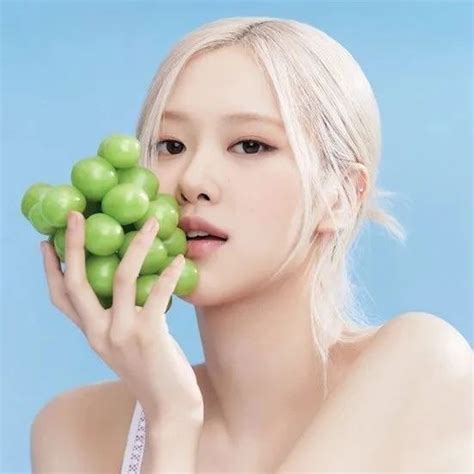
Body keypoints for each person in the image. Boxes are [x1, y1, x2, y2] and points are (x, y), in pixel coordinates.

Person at [31, 17, 472, 473]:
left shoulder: (422, 366)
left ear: (339, 195)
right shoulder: (75, 430)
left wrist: (175, 424)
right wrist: (170, 416)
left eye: (249, 145)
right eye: (171, 144)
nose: (193, 180)